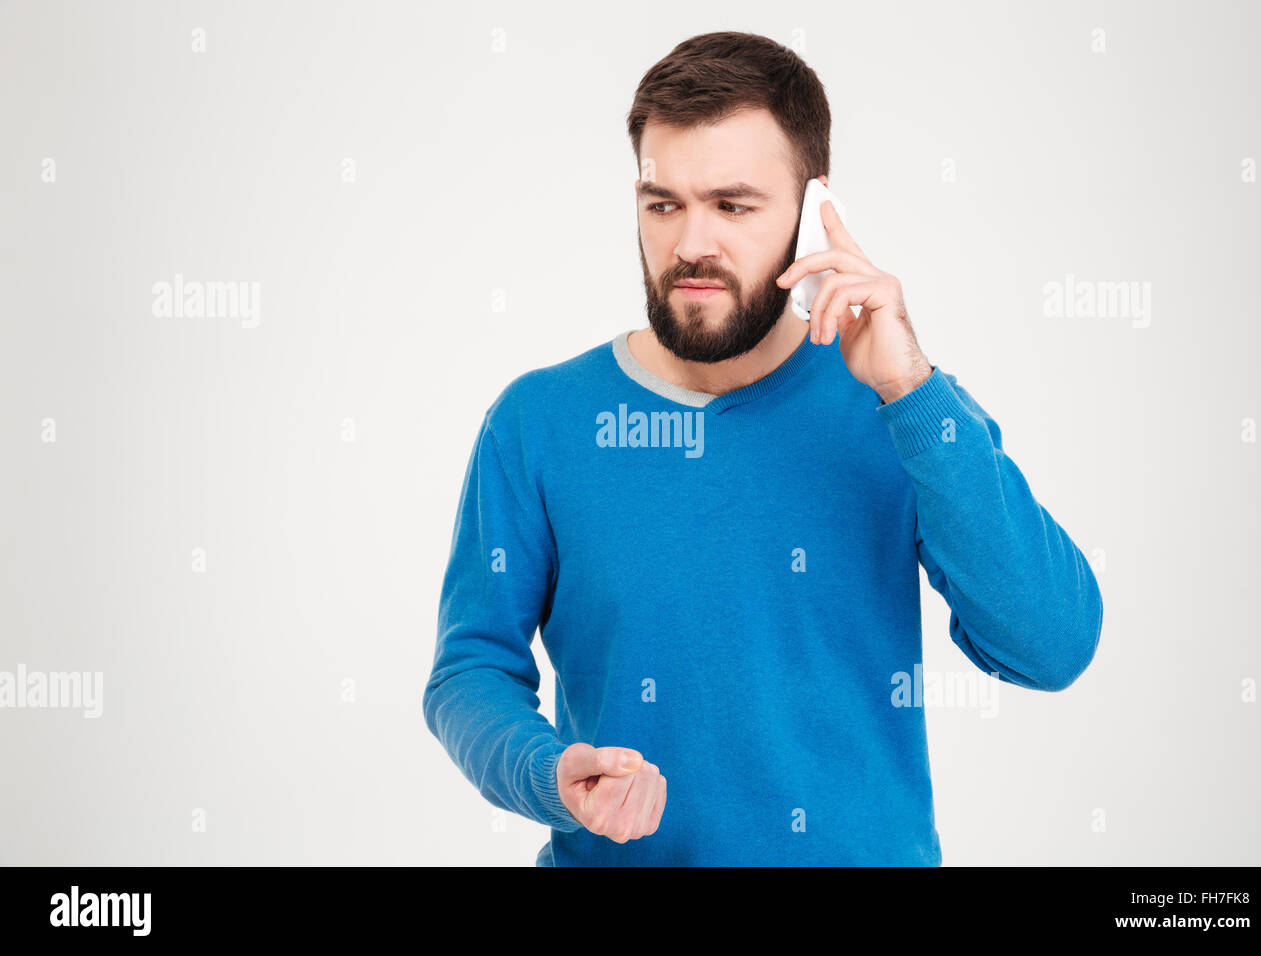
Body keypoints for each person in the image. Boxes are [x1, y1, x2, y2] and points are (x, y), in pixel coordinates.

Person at [422, 30, 1103, 866]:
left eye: (733, 205)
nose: (690, 244)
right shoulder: (537, 422)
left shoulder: (898, 410)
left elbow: (1052, 645)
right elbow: (470, 668)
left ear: (817, 213)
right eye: (662, 203)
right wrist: (548, 771)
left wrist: (912, 391)